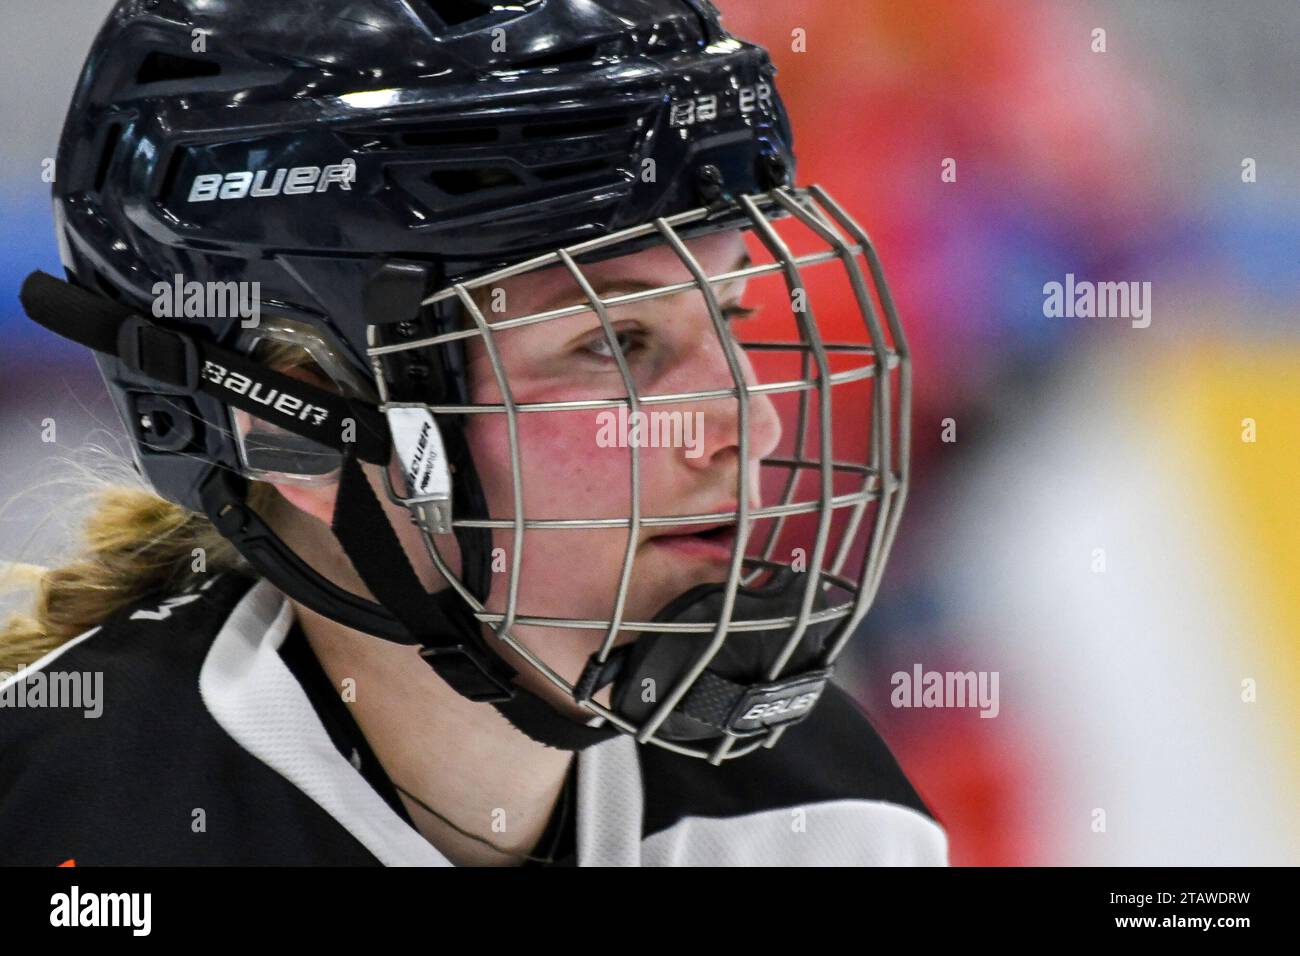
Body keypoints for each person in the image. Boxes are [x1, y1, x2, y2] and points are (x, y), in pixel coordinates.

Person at [0, 0, 946, 866]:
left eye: (730, 316)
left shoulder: (828, 816)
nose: (749, 422)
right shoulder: (68, 829)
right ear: (297, 434)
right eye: (614, 343)